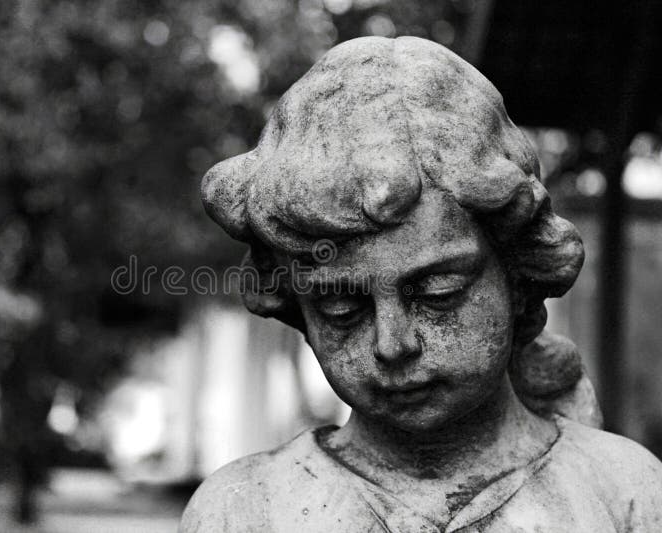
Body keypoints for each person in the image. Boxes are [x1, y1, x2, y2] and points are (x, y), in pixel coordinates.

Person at [180, 36, 662, 532]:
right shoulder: (243, 510)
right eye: (342, 309)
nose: (393, 345)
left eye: (438, 295)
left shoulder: (627, 493)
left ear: (518, 278)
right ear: (297, 308)